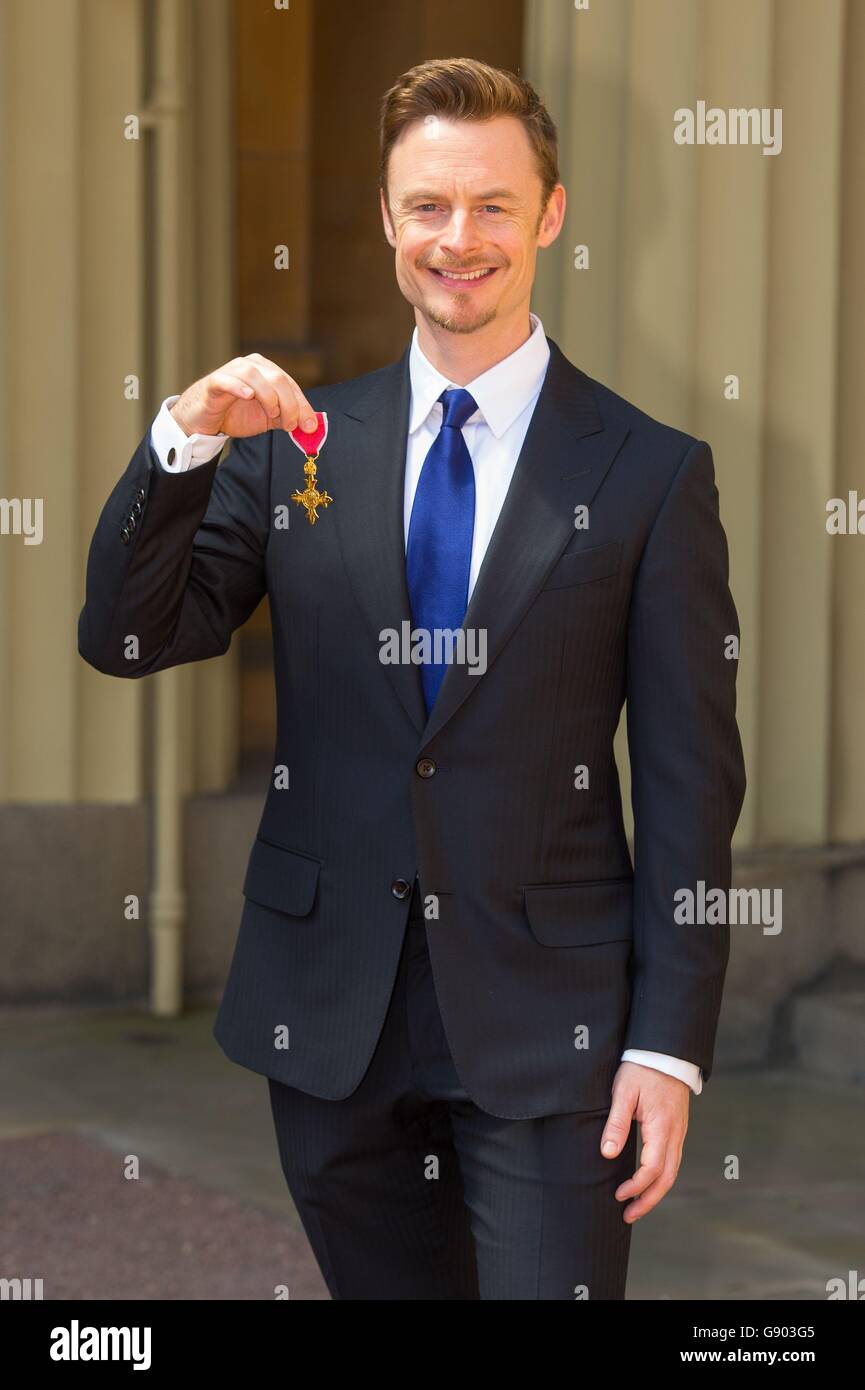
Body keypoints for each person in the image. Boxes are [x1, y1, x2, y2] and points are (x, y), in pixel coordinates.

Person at [78, 56, 746, 1300]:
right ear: (390, 219)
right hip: (331, 1017)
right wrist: (182, 441)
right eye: (429, 206)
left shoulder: (651, 474)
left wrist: (669, 1043)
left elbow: (691, 781)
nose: (460, 239)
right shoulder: (291, 452)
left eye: (493, 204)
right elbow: (127, 635)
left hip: (554, 1028)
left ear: (549, 215)